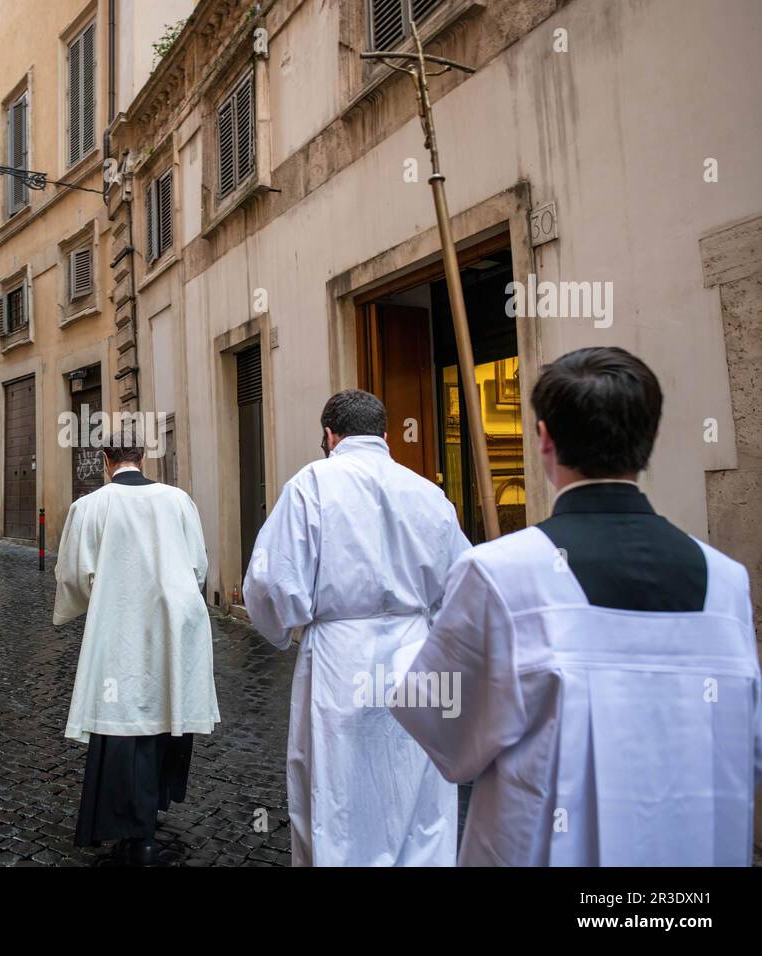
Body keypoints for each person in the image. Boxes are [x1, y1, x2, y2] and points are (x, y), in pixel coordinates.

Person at [392, 347, 761, 865]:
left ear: (544, 439)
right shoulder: (727, 581)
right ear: (649, 439)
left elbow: (440, 723)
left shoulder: (498, 572)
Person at [243, 389, 470, 866]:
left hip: (338, 658)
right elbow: (463, 587)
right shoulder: (429, 493)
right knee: (417, 788)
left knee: (338, 793)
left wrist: (283, 629)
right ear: (386, 435)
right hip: (417, 656)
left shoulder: (311, 484)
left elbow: (272, 580)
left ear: (330, 434)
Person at [54, 425, 220, 866]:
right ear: (142, 457)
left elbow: (72, 576)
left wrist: (109, 597)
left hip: (119, 628)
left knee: (121, 719)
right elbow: (198, 566)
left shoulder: (90, 506)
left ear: (107, 459)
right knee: (165, 712)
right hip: (174, 625)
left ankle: (129, 827)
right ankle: (147, 819)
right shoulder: (177, 500)